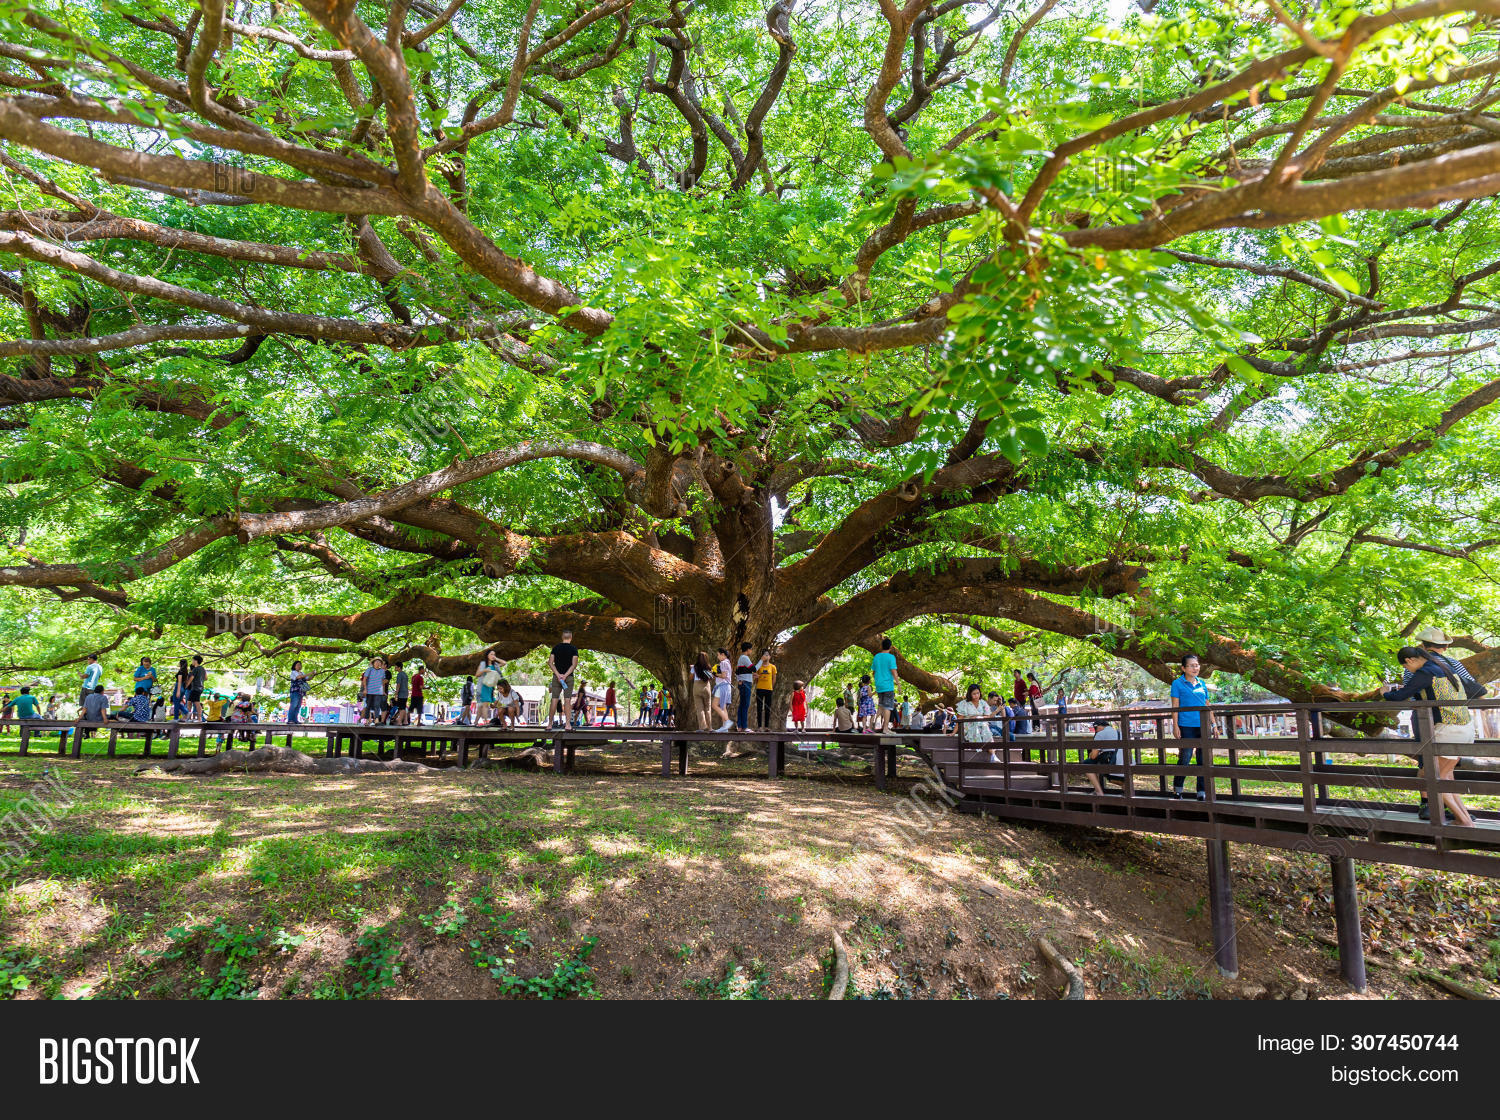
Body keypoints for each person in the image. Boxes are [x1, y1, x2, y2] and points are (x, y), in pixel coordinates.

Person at [1382, 646, 1477, 826]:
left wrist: (1385, 693)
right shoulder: (1442, 666)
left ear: (1409, 661)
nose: (1407, 671)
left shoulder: (1424, 672)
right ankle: (1462, 817)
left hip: (1449, 730)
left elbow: (1398, 697)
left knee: (1431, 779)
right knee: (1445, 777)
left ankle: (1465, 821)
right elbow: (1429, 690)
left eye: (1406, 667)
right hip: (1464, 727)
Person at [1169, 653, 1214, 799]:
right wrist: (1175, 726)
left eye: (1197, 665)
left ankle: (1201, 792)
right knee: (1185, 757)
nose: (1195, 668)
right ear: (1183, 668)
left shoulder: (1202, 684)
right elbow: (1175, 706)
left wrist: (1214, 724)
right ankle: (1177, 789)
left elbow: (1208, 705)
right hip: (1186, 725)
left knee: (1202, 759)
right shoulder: (1177, 683)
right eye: (1192, 665)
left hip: (1202, 725)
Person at [1080, 718, 1124, 796]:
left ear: (1099, 727)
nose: (1095, 731)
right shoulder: (1119, 733)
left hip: (1113, 763)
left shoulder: (1100, 734)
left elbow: (1093, 756)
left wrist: (1091, 754)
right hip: (1126, 763)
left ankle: (1099, 792)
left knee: (1086, 764)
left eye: (1095, 729)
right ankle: (1128, 792)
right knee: (1120, 779)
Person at [956, 683, 998, 763]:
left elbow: (988, 716)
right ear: (970, 694)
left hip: (981, 725)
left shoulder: (983, 703)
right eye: (974, 694)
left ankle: (993, 755)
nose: (976, 696)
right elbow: (959, 719)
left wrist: (978, 717)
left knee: (983, 724)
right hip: (967, 726)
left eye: (978, 693)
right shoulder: (964, 703)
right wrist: (954, 732)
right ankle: (988, 752)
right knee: (978, 724)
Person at [547, 631, 578, 728]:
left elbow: (550, 662)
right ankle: (568, 724)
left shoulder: (555, 648)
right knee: (567, 700)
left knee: (554, 700)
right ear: (571, 637)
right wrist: (565, 676)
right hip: (568, 678)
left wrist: (558, 674)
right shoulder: (574, 649)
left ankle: (550, 724)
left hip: (556, 678)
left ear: (562, 637)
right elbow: (574, 664)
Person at [871, 638, 898, 732]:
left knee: (881, 705)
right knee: (888, 707)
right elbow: (894, 671)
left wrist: (878, 681)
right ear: (890, 647)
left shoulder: (876, 657)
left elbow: (873, 673)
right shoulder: (891, 657)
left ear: (881, 646)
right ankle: (885, 728)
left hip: (879, 685)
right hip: (888, 686)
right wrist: (898, 683)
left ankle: (873, 722)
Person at [734, 642, 755, 731]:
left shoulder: (741, 658)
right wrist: (762, 660)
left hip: (744, 682)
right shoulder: (744, 657)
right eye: (751, 649)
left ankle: (740, 726)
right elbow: (754, 668)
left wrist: (740, 679)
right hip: (746, 683)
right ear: (747, 649)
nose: (751, 651)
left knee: (742, 705)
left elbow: (739, 671)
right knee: (745, 705)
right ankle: (744, 726)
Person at [754, 650, 777, 730]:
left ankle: (766, 727)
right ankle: (759, 727)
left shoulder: (772, 667)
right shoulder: (758, 666)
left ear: (770, 657)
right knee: (759, 708)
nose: (766, 656)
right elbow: (756, 678)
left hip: (769, 690)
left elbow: (774, 679)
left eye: (767, 655)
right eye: (764, 655)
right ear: (762, 657)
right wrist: (758, 682)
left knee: (768, 708)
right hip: (760, 689)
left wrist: (771, 687)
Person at [361, 657, 388, 725]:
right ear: (373, 663)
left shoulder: (382, 671)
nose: (378, 663)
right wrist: (365, 689)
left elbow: (382, 681)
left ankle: (376, 719)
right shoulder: (369, 670)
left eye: (379, 662)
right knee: (368, 706)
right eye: (376, 662)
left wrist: (383, 691)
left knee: (377, 705)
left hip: (378, 692)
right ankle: (367, 720)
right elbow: (364, 679)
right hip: (369, 691)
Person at [713, 648, 734, 732]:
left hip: (722, 686)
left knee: (714, 705)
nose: (717, 656)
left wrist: (714, 674)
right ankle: (725, 728)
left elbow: (724, 676)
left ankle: (727, 721)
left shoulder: (723, 663)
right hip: (726, 686)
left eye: (718, 654)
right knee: (723, 707)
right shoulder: (728, 662)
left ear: (722, 654)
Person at [287, 660, 309, 725]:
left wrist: (313, 674)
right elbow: (299, 677)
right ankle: (290, 719)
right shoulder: (293, 672)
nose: (299, 666)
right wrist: (310, 673)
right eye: (298, 665)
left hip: (301, 692)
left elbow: (307, 679)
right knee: (293, 705)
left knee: (298, 706)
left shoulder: (302, 673)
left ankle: (295, 720)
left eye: (300, 665)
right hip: (295, 691)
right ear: (294, 666)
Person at [187, 654, 206, 721]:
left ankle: (199, 718)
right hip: (200, 688)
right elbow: (206, 678)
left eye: (193, 660)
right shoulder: (202, 669)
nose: (192, 661)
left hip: (195, 688)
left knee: (196, 703)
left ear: (196, 661)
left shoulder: (195, 669)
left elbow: (191, 678)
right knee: (189, 702)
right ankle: (189, 717)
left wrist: (186, 685)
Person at [392, 661, 410, 726]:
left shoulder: (399, 674)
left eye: (396, 667)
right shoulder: (405, 674)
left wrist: (396, 693)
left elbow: (398, 684)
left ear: (399, 667)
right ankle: (405, 721)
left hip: (401, 693)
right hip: (406, 693)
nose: (395, 668)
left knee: (401, 707)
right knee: (403, 707)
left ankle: (399, 721)